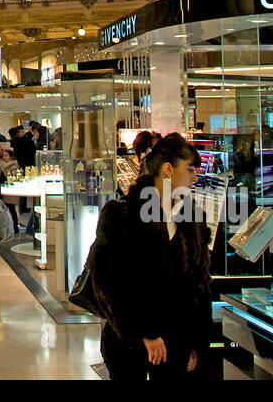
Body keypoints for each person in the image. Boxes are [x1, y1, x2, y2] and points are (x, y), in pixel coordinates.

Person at [90, 133, 212, 381]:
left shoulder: (191, 219)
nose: (195, 177)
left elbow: (199, 283)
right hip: (130, 345)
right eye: (190, 170)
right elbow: (107, 280)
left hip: (176, 343)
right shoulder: (123, 215)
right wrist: (143, 331)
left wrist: (197, 342)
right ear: (168, 169)